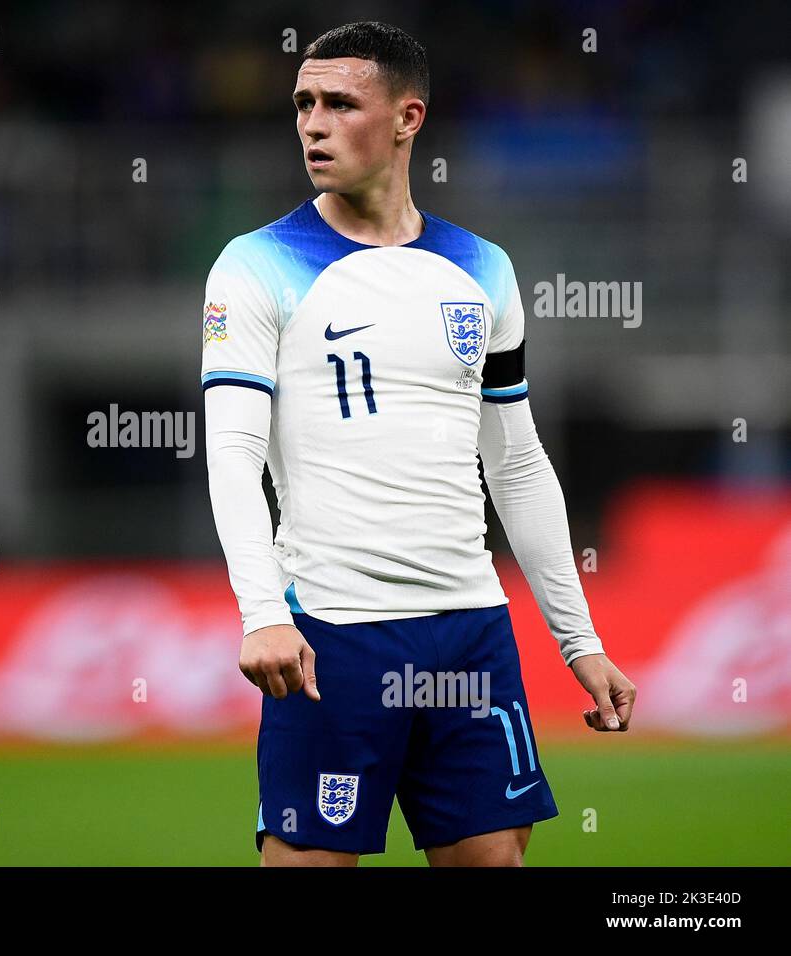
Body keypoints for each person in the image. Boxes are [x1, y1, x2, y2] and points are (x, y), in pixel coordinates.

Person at [200, 21, 636, 867]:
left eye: (340, 103)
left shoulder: (484, 269)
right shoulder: (253, 266)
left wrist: (579, 642)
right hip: (334, 635)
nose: (313, 124)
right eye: (303, 104)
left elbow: (515, 463)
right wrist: (261, 612)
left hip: (471, 632)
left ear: (407, 118)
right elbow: (231, 453)